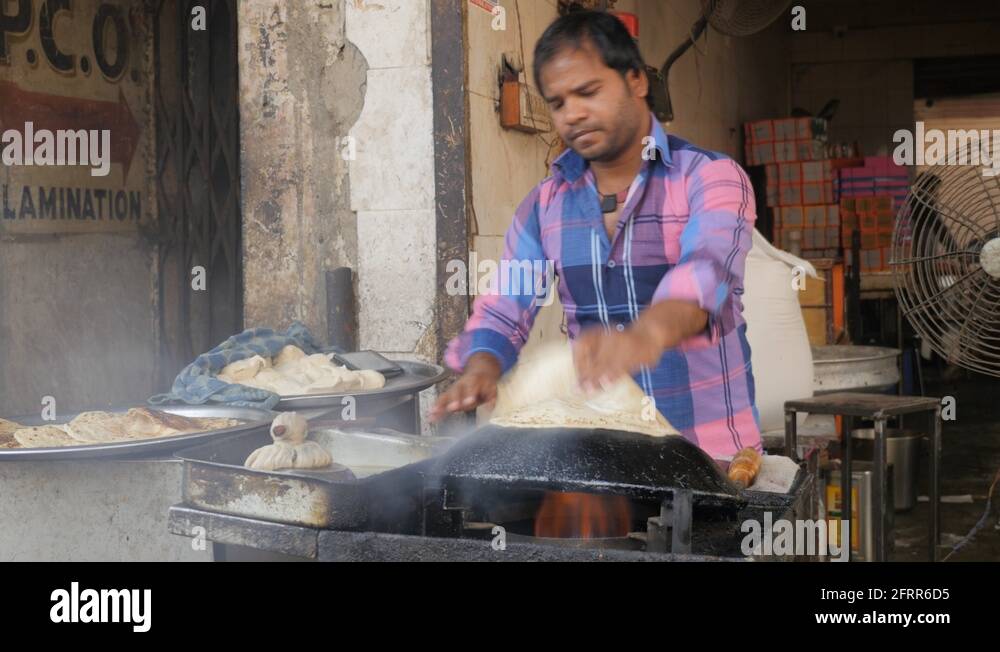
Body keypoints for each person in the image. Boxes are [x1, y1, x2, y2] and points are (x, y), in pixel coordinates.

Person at [430, 10, 761, 459]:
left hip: (711, 460)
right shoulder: (544, 205)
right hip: (604, 459)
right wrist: (481, 367)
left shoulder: (710, 177)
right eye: (558, 102)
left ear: (636, 80)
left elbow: (705, 272)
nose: (573, 115)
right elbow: (505, 309)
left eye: (588, 92)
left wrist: (642, 337)